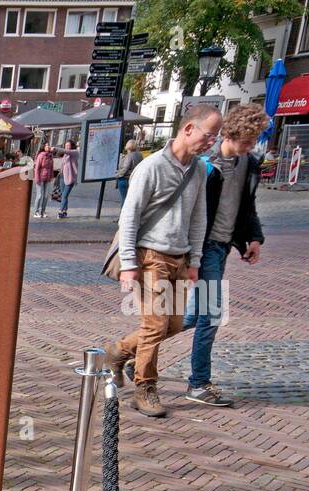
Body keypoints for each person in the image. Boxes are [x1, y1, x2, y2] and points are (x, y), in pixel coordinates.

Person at [104, 103, 221, 418]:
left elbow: (199, 217)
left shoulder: (199, 169)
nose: (212, 142)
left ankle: (117, 352)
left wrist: (194, 260)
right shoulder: (151, 166)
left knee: (174, 324)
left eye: (216, 137)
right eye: (209, 135)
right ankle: (145, 389)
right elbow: (129, 217)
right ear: (188, 129)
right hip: (151, 257)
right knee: (154, 325)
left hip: (180, 258)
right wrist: (129, 264)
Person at [180, 104, 271, 408]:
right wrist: (191, 255)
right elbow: (191, 211)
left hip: (223, 247)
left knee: (193, 316)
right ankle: (198, 383)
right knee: (211, 314)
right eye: (247, 140)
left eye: (254, 140)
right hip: (204, 246)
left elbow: (247, 205)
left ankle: (129, 352)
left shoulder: (250, 163)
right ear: (231, 134)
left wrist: (254, 238)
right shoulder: (207, 164)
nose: (251, 146)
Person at [32, 141, 56, 218]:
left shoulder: (50, 156)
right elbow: (37, 168)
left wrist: (52, 177)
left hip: (48, 178)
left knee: (46, 196)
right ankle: (36, 212)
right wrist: (37, 178)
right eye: (46, 145)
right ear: (43, 147)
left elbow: (51, 168)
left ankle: (43, 211)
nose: (48, 147)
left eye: (49, 145)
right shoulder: (41, 155)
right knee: (39, 195)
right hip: (40, 178)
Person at [56, 138, 80, 218]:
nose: (67, 147)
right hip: (62, 177)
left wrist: (55, 148)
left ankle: (60, 211)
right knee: (63, 195)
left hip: (70, 178)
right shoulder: (65, 155)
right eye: (66, 145)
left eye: (68, 145)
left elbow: (66, 151)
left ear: (72, 146)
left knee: (64, 195)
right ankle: (64, 211)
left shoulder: (74, 152)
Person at [116, 139, 141, 204]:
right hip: (135, 179)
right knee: (131, 199)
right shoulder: (139, 155)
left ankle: (124, 210)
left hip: (125, 179)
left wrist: (118, 175)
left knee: (124, 199)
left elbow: (125, 169)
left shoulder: (129, 156)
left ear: (127, 146)